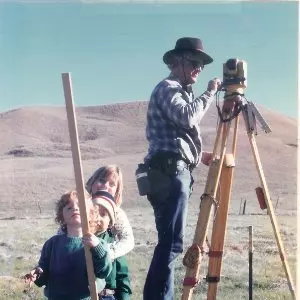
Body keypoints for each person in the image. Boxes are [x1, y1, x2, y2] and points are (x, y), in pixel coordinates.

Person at [142, 37, 222, 300]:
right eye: (195, 62)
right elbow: (187, 117)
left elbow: (174, 140)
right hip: (169, 173)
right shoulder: (168, 88)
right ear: (177, 62)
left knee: (169, 243)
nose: (199, 68)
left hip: (171, 170)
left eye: (201, 64)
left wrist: (200, 156)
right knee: (171, 244)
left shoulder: (179, 91)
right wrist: (210, 92)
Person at [24, 190, 114, 300]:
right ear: (62, 216)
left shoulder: (98, 244)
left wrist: (97, 248)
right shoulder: (52, 244)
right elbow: (43, 273)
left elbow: (104, 272)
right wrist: (37, 274)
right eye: (69, 207)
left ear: (91, 214)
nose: (75, 208)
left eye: (80, 206)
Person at [86, 165, 133, 299]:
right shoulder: (77, 209)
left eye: (112, 184)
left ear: (117, 190)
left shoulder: (116, 214)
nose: (105, 186)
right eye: (101, 180)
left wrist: (104, 253)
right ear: (92, 182)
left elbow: (128, 240)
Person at [92, 190, 132, 300]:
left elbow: (122, 276)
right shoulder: (80, 240)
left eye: (103, 214)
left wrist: (124, 297)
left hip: (107, 296)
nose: (98, 218)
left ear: (110, 222)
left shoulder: (113, 245)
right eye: (94, 212)